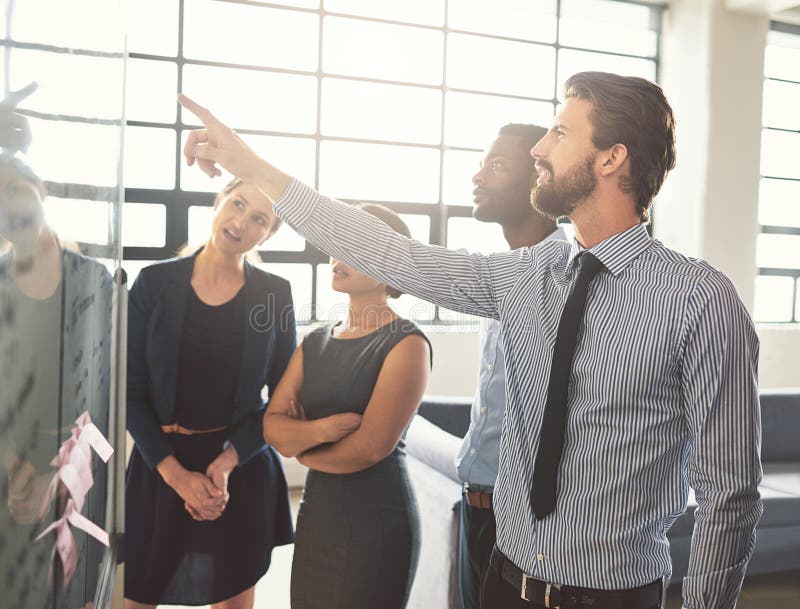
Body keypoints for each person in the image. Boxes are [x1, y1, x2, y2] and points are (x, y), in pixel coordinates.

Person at [178, 70, 762, 609]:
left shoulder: (700, 301)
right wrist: (251, 166)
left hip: (612, 598)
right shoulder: (524, 275)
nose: (541, 148)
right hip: (503, 582)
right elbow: (395, 255)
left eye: (561, 132)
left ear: (612, 158)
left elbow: (729, 495)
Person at [124, 178, 295, 609]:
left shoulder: (274, 295)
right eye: (237, 204)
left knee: (233, 600)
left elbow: (281, 400)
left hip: (239, 470)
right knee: (139, 596)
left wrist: (228, 462)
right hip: (160, 465)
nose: (241, 222)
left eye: (259, 219)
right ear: (218, 201)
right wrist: (177, 477)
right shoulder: (154, 283)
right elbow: (128, 391)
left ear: (268, 235)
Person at [263, 203, 432, 609]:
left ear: (389, 263)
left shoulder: (407, 344)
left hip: (376, 523)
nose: (338, 255)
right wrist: (321, 432)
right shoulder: (316, 341)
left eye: (355, 246)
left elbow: (369, 449)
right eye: (338, 243)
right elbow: (271, 426)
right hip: (317, 515)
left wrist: (301, 448)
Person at [458, 123, 565, 609]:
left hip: (524, 523)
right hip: (476, 504)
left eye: (497, 165)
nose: (478, 176)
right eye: (482, 163)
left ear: (540, 179)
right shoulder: (500, 274)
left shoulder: (565, 278)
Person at [0, 151, 112, 609]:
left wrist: (65, 473)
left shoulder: (94, 279)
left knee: (70, 595)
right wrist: (11, 464)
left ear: (40, 190)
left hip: (79, 468)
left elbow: (106, 394)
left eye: (13, 189)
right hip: (10, 468)